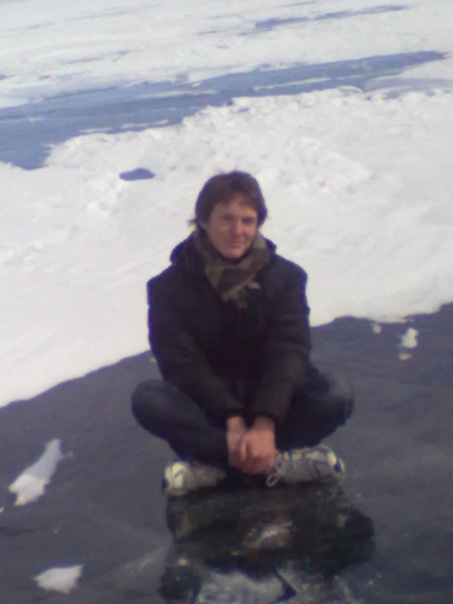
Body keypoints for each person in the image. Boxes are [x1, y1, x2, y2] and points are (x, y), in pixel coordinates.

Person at [132, 171, 354, 496]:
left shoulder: (287, 278)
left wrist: (265, 421)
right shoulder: (168, 288)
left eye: (247, 220)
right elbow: (180, 363)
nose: (238, 231)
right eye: (226, 219)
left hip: (275, 402)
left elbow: (289, 350)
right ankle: (277, 462)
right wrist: (232, 419)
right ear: (203, 220)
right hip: (210, 407)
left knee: (336, 393)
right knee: (149, 400)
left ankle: (216, 466)